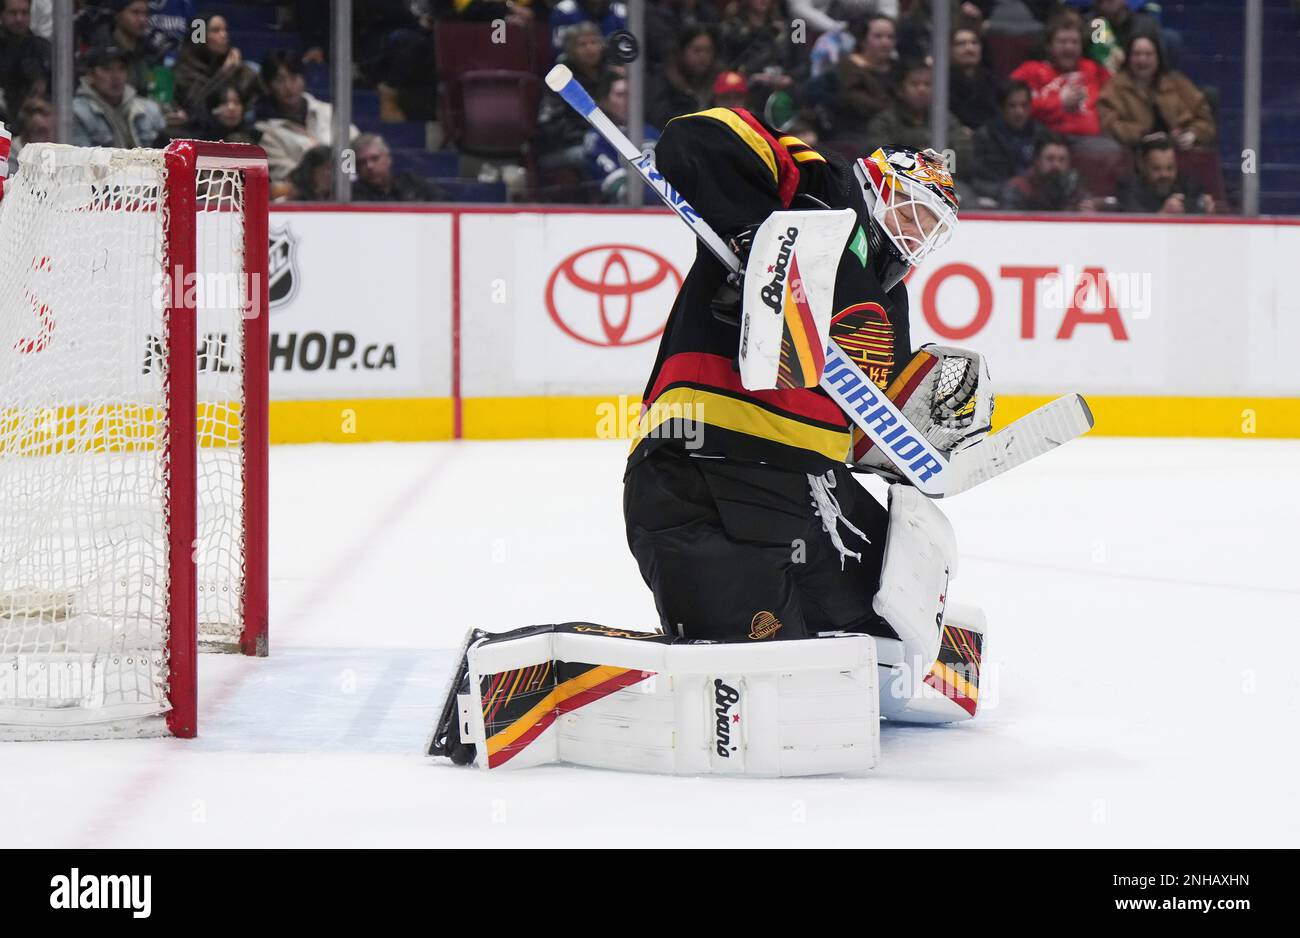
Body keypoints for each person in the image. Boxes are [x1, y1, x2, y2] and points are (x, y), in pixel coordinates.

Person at [624, 105, 962, 643]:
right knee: (757, 667)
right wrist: (752, 234)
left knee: (891, 628)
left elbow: (866, 431)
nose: (916, 234)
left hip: (813, 491)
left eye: (930, 227)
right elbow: (696, 136)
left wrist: (930, 428)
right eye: (911, 211)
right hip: (706, 469)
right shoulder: (818, 193)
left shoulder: (889, 303)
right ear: (876, 185)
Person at [1097, 33, 1214, 150]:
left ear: (1158, 57)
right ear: (1128, 57)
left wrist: (1192, 134)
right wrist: (1142, 137)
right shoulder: (1114, 87)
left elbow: (1205, 120)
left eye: (1148, 54)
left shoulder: (1178, 82)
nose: (1142, 60)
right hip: (1135, 152)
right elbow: (1109, 125)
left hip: (1180, 151)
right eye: (1136, 54)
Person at [255, 51, 358, 182]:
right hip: (306, 197)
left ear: (303, 79)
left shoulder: (327, 111)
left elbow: (354, 145)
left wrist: (346, 175)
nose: (288, 87)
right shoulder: (264, 131)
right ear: (268, 87)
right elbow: (286, 173)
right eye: (279, 81)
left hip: (346, 187)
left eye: (294, 77)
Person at [1010, 12, 1111, 141]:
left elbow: (1117, 94)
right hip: (1048, 143)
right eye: (1062, 42)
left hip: (1094, 144)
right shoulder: (1031, 71)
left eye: (1075, 42)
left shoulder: (1092, 68)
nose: (1069, 47)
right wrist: (1060, 102)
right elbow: (1014, 105)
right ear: (1049, 46)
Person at [866, 58, 973, 179]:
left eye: (927, 84)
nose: (922, 90)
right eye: (914, 84)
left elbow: (963, 153)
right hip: (898, 185)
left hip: (944, 181)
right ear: (900, 90)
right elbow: (882, 158)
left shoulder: (945, 119)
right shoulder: (884, 121)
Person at [535, 21, 619, 172]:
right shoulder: (560, 80)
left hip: (609, 142)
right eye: (582, 44)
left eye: (594, 42)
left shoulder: (612, 75)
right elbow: (550, 125)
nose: (590, 49)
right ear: (571, 50)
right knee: (598, 155)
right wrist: (588, 137)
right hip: (570, 147)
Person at [582, 73, 660, 202]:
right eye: (619, 95)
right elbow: (617, 185)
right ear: (604, 101)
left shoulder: (651, 132)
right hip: (619, 213)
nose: (627, 101)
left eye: (629, 95)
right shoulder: (597, 137)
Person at [71, 44, 165, 148]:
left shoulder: (149, 110)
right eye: (106, 69)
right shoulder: (76, 113)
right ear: (90, 75)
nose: (116, 76)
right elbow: (82, 160)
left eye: (121, 68)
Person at [825, 14, 898, 148]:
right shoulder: (848, 67)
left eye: (890, 37)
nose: (885, 42)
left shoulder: (899, 68)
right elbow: (856, 101)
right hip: (855, 135)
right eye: (878, 36)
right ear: (863, 40)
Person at [972, 79, 1049, 201]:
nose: (1019, 112)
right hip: (999, 199)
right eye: (1012, 106)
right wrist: (1008, 186)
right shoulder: (985, 137)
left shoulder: (1041, 135)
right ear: (1001, 108)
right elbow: (978, 181)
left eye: (1024, 105)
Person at [173, 12, 260, 118]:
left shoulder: (234, 65)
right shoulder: (184, 70)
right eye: (216, 31)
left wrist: (239, 71)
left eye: (225, 30)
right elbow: (195, 106)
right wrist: (224, 74)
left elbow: (250, 100)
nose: (224, 35)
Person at [1116, 133, 1215, 214]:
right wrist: (1163, 213)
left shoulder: (1189, 186)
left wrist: (1208, 213)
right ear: (1142, 165)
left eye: (1170, 168)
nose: (1165, 174)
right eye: (1156, 168)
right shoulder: (1128, 189)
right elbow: (1134, 230)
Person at [645, 25, 717, 130]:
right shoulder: (660, 84)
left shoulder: (715, 82)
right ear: (681, 52)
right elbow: (661, 121)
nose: (703, 57)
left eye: (708, 51)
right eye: (697, 50)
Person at [999, 133, 1095, 211]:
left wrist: (1086, 211)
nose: (1056, 165)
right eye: (1050, 159)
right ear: (1037, 161)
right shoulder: (1017, 188)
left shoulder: (1074, 186)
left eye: (1062, 160)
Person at [351, 133, 446, 202]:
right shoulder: (353, 194)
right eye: (362, 162)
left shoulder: (409, 181)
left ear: (388, 159)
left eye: (375, 158)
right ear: (356, 167)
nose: (369, 166)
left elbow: (444, 201)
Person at [0, 0, 49, 122]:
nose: (19, 18)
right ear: (1, 14)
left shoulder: (42, 48)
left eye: (25, 12)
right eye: (13, 13)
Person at [948, 24, 1000, 131]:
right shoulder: (941, 83)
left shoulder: (992, 81)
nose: (969, 48)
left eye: (974, 43)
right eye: (961, 44)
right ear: (949, 50)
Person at [186, 82, 258, 144]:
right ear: (213, 109)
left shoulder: (253, 137)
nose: (231, 108)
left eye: (237, 102)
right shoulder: (196, 139)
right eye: (224, 102)